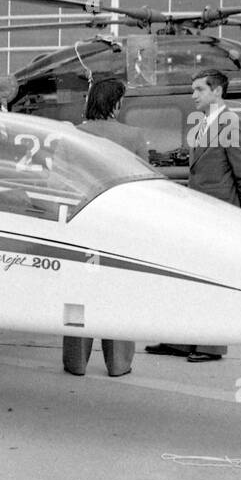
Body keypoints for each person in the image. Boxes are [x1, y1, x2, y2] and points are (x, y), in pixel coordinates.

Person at [146, 69, 241, 362]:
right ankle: (182, 340)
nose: (193, 95)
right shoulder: (204, 123)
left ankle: (211, 345)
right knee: (191, 279)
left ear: (217, 91)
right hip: (202, 217)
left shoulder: (230, 123)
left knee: (215, 282)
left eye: (199, 89)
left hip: (222, 217)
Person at [63, 78, 144, 377]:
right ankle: (118, 363)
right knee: (118, 294)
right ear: (117, 103)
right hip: (119, 231)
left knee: (78, 296)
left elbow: (56, 182)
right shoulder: (133, 136)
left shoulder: (73, 135)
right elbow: (143, 188)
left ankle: (75, 363)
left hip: (81, 227)